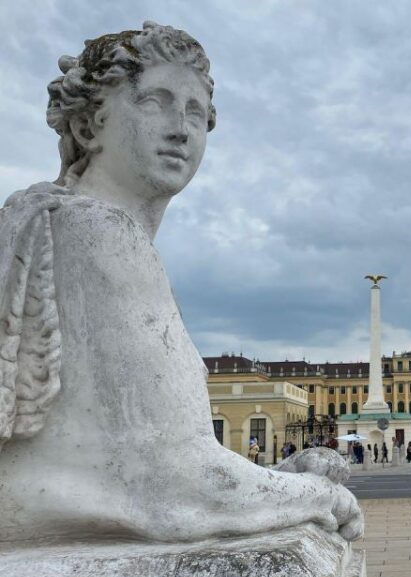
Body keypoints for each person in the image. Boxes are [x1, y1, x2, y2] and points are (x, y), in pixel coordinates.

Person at [0, 22, 362, 544]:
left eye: (195, 112)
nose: (180, 129)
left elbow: (126, 465)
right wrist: (321, 496)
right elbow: (167, 486)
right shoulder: (98, 232)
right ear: (87, 127)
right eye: (154, 102)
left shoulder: (55, 223)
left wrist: (280, 479)